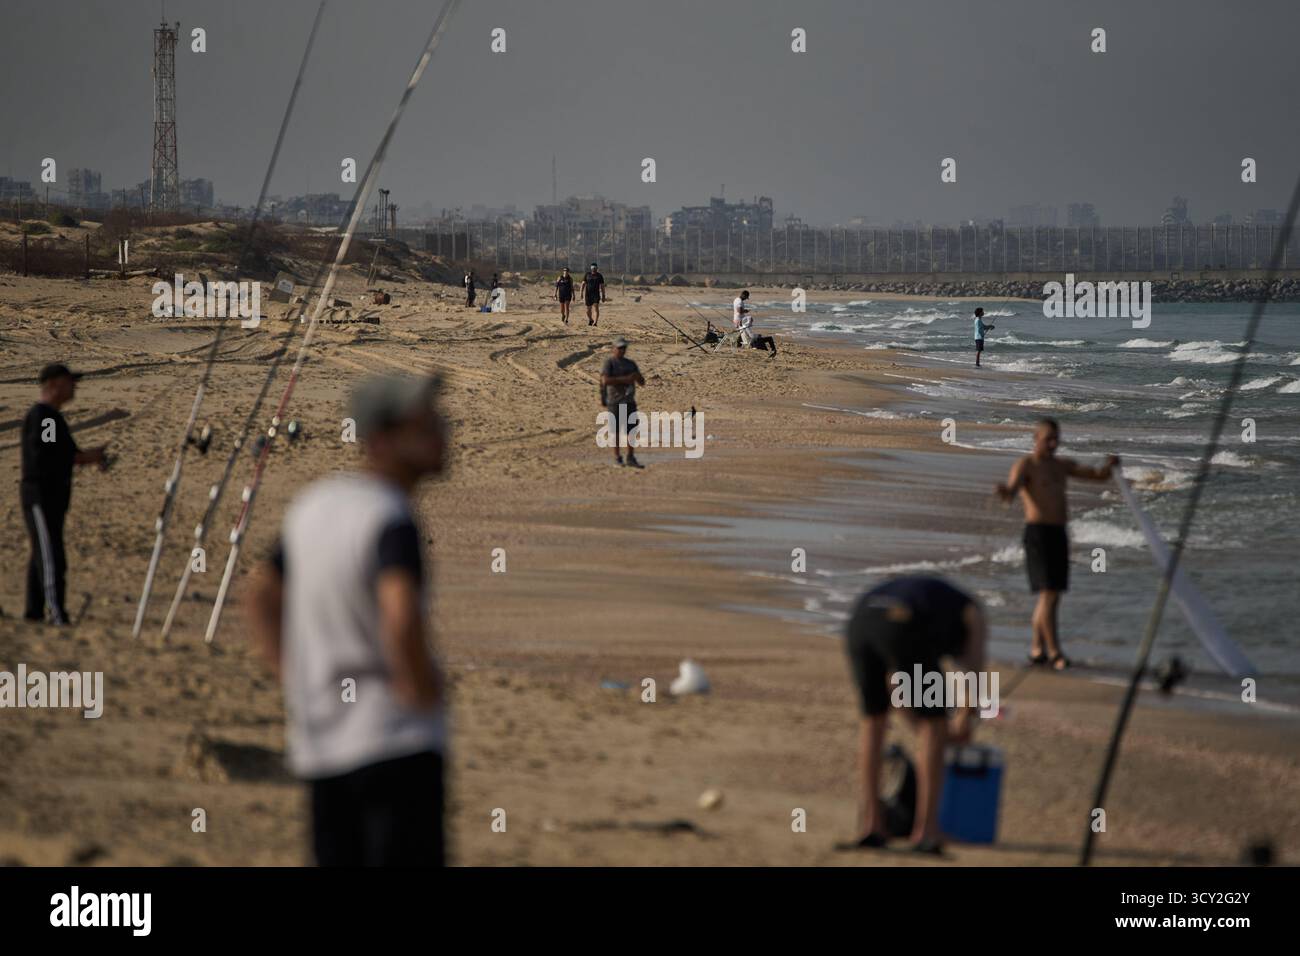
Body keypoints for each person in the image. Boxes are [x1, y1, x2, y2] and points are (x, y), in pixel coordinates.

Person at [248, 374, 448, 866]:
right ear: (381, 441)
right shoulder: (391, 517)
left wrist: (293, 680)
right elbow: (400, 613)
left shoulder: (313, 504)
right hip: (395, 743)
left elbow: (259, 594)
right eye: (422, 425)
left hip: (321, 745)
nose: (441, 430)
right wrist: (420, 691)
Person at [843, 575, 987, 853]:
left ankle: (873, 826)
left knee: (873, 721)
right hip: (902, 622)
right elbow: (975, 677)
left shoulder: (938, 609)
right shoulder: (973, 613)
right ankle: (926, 831)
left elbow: (894, 685)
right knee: (935, 723)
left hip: (861, 620)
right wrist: (963, 720)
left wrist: (923, 728)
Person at [995, 418, 1119, 670]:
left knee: (1052, 595)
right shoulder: (1026, 465)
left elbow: (1097, 476)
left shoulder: (1061, 466)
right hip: (1038, 534)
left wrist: (1110, 466)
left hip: (1059, 534)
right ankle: (1055, 652)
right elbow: (1012, 490)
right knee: (1049, 594)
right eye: (1048, 438)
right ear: (1036, 438)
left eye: (1056, 438)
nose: (1053, 443)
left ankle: (1036, 649)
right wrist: (1004, 493)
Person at [20, 364, 107, 625]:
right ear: (55, 384)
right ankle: (56, 614)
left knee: (43, 554)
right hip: (41, 497)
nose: (74, 387)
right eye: (70, 382)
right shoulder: (45, 417)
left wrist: (90, 457)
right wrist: (84, 458)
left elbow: (63, 453)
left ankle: (34, 614)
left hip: (53, 500)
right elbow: (50, 456)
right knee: (51, 558)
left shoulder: (53, 418)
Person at [600, 336, 645, 468]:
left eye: (624, 348)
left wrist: (637, 377)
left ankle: (630, 457)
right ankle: (617, 458)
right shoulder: (610, 363)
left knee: (632, 431)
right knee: (615, 431)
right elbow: (606, 381)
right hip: (615, 402)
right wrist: (626, 379)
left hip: (629, 401)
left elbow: (642, 382)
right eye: (619, 348)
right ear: (614, 349)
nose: (622, 350)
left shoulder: (631, 364)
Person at [732, 290, 777, 356]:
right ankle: (770, 352)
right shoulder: (739, 301)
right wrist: (745, 311)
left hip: (739, 322)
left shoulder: (736, 299)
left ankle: (738, 344)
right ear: (744, 295)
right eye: (746, 297)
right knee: (766, 338)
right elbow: (739, 310)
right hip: (752, 340)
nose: (746, 299)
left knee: (742, 333)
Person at [581, 262, 605, 326]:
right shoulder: (587, 274)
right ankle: (591, 319)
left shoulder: (599, 276)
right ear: (591, 268)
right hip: (588, 294)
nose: (594, 269)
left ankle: (595, 322)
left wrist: (603, 295)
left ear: (597, 268)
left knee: (596, 308)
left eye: (595, 267)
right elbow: (583, 284)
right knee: (588, 310)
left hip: (596, 294)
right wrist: (581, 293)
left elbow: (602, 286)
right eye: (592, 267)